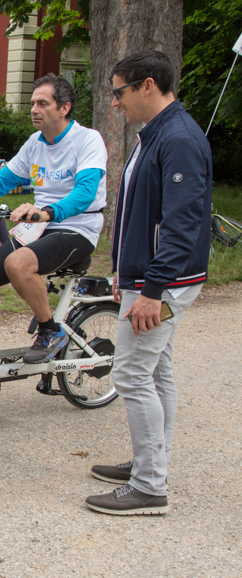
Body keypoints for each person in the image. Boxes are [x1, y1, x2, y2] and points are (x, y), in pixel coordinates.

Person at [85, 51, 212, 516]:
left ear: (148, 85)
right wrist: (126, 270)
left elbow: (181, 222)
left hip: (166, 280)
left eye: (119, 92)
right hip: (149, 275)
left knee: (131, 374)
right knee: (156, 372)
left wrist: (153, 289)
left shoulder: (177, 138)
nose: (115, 102)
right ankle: (148, 463)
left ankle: (149, 485)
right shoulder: (155, 134)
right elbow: (140, 213)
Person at [0, 73, 107, 367]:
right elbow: (1, 181)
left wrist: (48, 211)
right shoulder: (35, 143)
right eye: (32, 103)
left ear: (64, 108)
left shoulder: (87, 139)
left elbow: (85, 193)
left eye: (42, 103)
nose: (33, 109)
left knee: (18, 263)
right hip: (41, 227)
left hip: (77, 228)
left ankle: (50, 331)